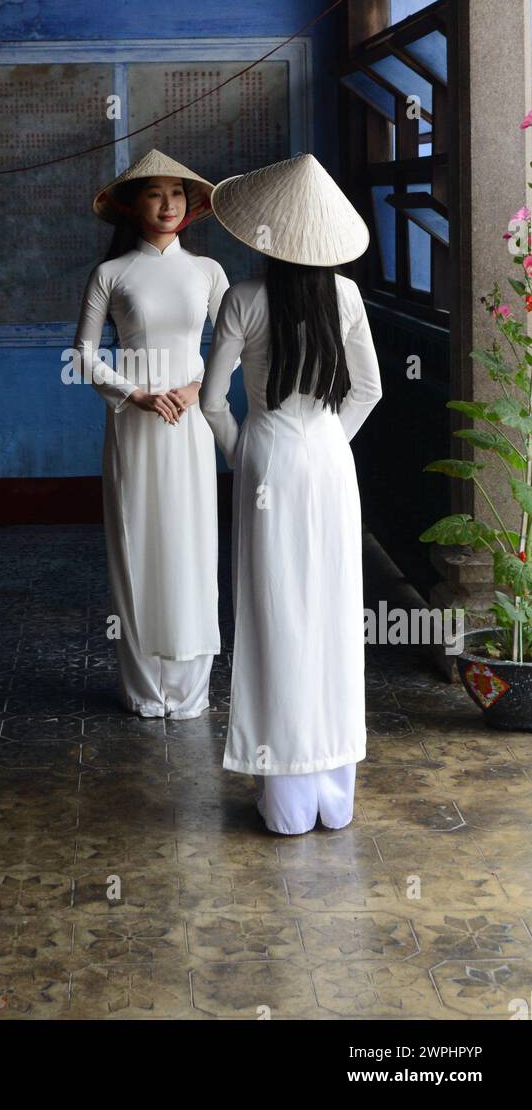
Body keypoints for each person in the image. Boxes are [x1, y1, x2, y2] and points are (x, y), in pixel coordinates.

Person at [199, 153, 382, 833]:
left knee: (273, 616)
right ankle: (332, 800)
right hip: (330, 462)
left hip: (267, 460)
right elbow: (368, 390)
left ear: (262, 235)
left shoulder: (241, 299)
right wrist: (328, 441)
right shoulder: (347, 296)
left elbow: (212, 399)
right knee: (332, 618)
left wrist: (241, 446)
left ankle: (284, 802)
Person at [73, 147, 235, 719]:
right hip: (134, 426)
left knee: (191, 544)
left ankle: (190, 690)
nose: (167, 203)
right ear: (131, 205)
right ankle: (144, 688)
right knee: (137, 542)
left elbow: (235, 345)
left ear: (189, 203)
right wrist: (136, 395)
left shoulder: (209, 272)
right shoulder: (111, 274)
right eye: (153, 192)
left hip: (190, 424)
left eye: (176, 192)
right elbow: (84, 357)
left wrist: (196, 390)